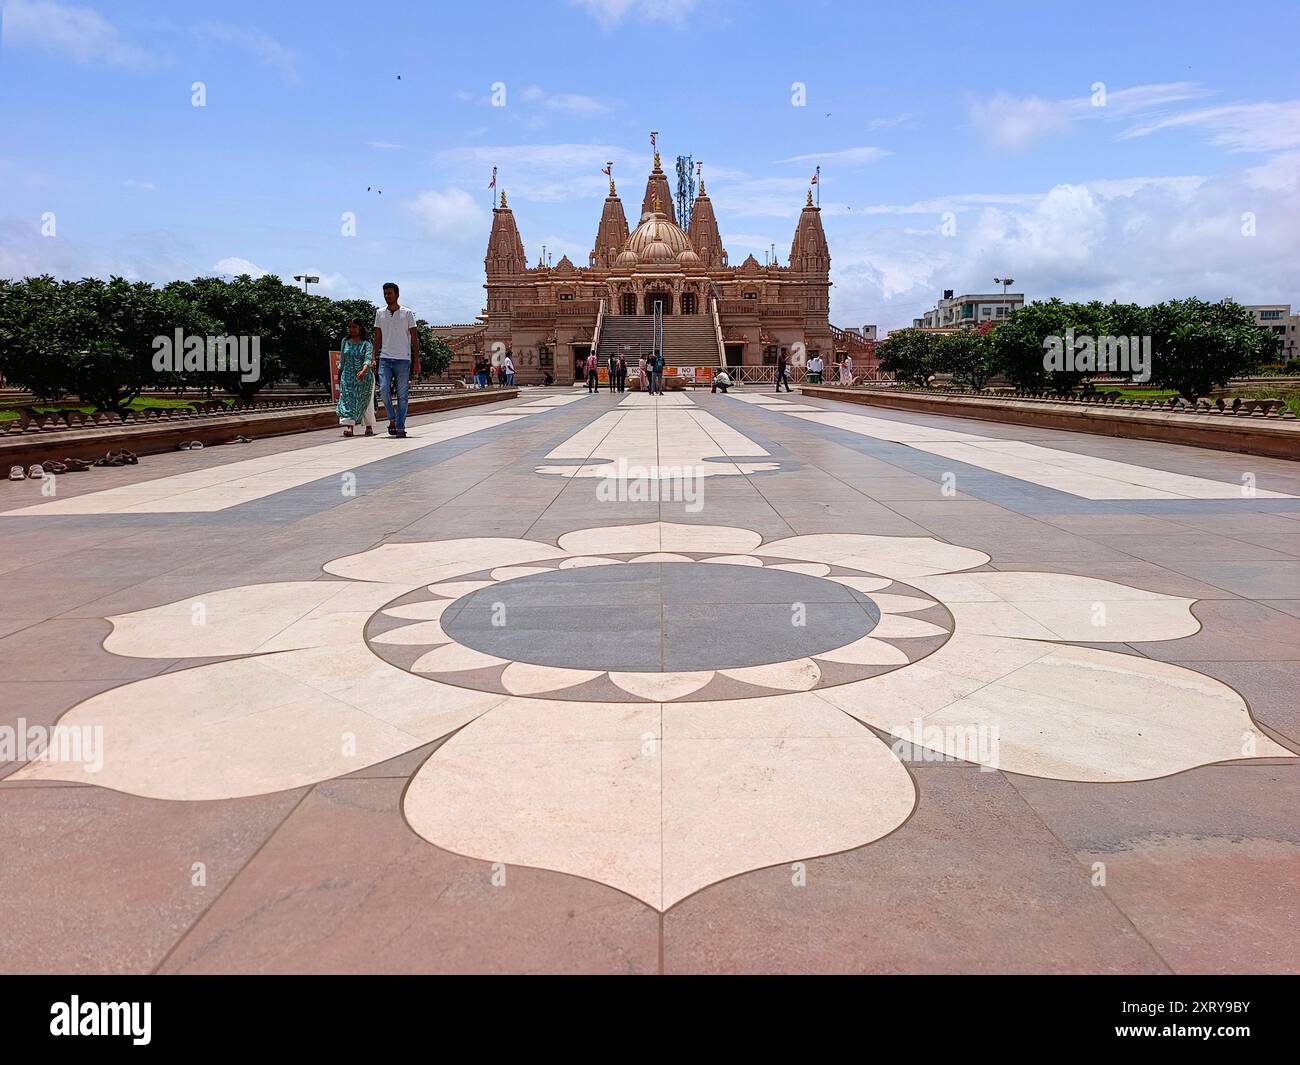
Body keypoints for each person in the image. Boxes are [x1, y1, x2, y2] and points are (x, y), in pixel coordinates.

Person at [373, 282, 420, 438]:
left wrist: (417, 360)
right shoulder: (380, 313)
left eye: (390, 293)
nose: (387, 296)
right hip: (385, 358)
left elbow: (414, 338)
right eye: (385, 293)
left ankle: (400, 427)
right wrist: (373, 356)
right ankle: (392, 418)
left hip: (403, 359)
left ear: (397, 294)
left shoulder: (407, 314)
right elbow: (378, 337)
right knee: (384, 390)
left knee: (402, 395)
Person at [336, 319, 376, 436]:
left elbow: (367, 358)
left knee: (365, 400)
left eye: (354, 327)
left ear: (360, 328)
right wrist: (340, 373)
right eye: (350, 327)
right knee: (348, 400)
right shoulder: (345, 341)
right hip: (348, 376)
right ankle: (350, 427)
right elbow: (342, 359)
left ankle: (369, 426)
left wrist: (363, 370)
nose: (352, 330)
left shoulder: (366, 343)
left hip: (364, 377)